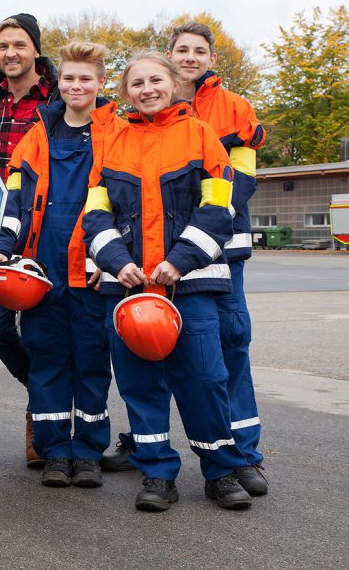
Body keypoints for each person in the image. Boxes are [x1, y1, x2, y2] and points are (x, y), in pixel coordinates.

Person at [102, 24, 270, 499]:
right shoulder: (114, 140)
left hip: (192, 281)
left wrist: (181, 260)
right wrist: (116, 262)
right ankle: (157, 472)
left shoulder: (202, 134)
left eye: (156, 80)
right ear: (126, 92)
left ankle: (222, 470)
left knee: (206, 376)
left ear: (173, 83)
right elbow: (96, 213)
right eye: (137, 83)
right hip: (131, 286)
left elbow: (220, 206)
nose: (147, 89)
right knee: (139, 383)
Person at [0, 42, 116, 489]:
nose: (76, 86)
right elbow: (14, 199)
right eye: (69, 78)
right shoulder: (38, 134)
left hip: (94, 267)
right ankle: (55, 450)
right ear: (58, 82)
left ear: (100, 82)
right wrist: (1, 246)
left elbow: (130, 202)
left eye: (86, 78)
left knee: (92, 363)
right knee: (47, 361)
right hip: (42, 269)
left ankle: (89, 452)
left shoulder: (116, 132)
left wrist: (114, 258)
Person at [170, 22, 269, 497]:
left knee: (231, 343)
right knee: (158, 342)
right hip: (164, 252)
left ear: (211, 59)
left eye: (199, 51)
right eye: (182, 49)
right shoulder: (148, 103)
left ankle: (245, 453)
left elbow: (243, 178)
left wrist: (201, 225)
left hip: (222, 245)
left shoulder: (235, 109)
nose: (190, 57)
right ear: (170, 56)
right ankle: (140, 440)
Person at [0, 14, 60, 467]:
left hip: (48, 226)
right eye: (3, 45)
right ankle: (46, 393)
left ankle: (43, 422)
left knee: (46, 331)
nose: (10, 53)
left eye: (19, 45)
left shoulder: (59, 95)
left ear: (36, 50)